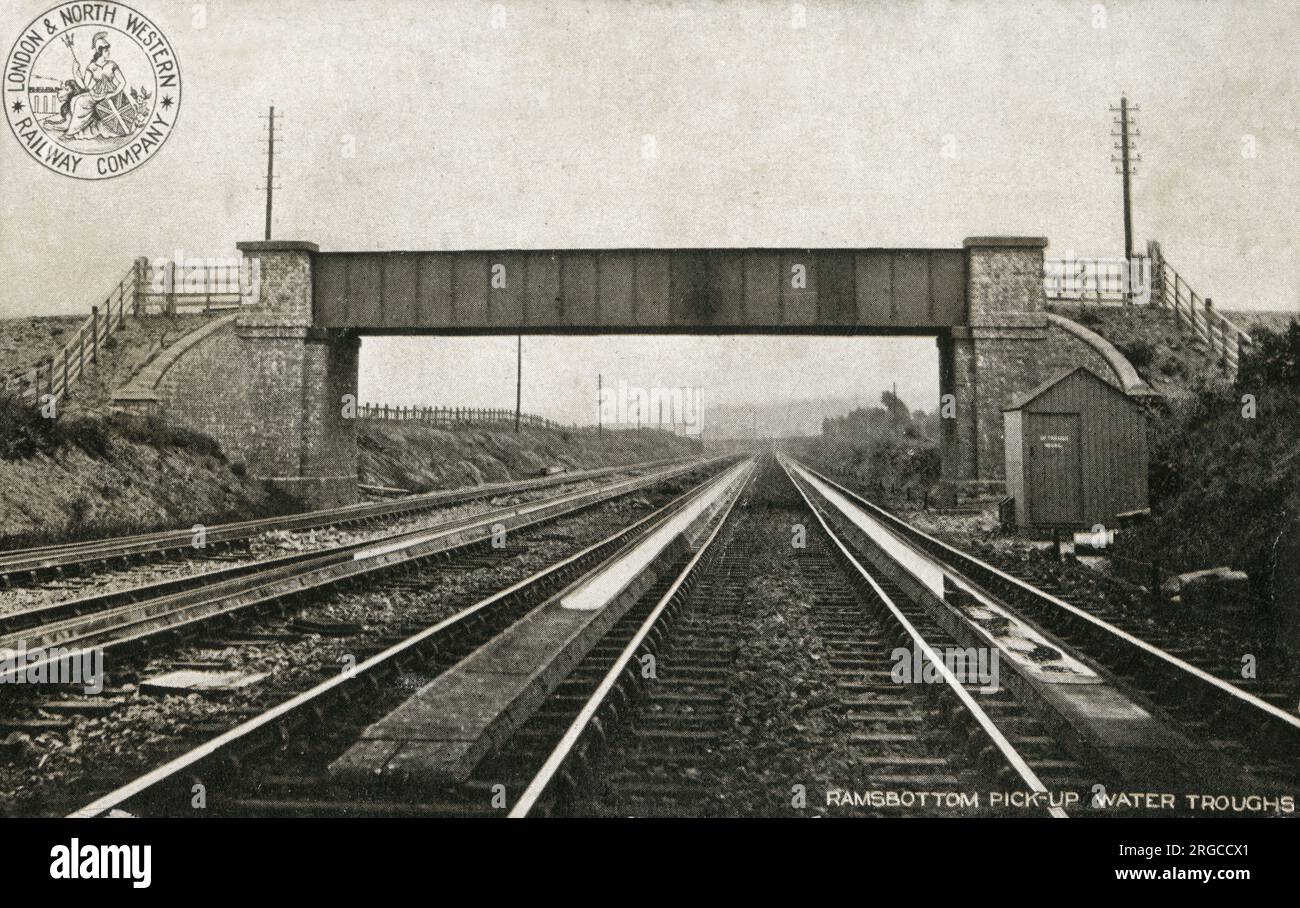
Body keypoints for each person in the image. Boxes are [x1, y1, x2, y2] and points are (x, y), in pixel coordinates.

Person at [62, 32, 132, 139]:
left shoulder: (112, 64)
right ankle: (72, 130)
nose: (108, 52)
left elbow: (122, 82)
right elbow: (85, 85)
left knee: (80, 101)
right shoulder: (92, 67)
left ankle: (70, 133)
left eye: (108, 50)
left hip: (111, 94)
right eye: (106, 50)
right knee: (78, 100)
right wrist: (75, 71)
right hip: (96, 95)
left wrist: (113, 93)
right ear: (100, 52)